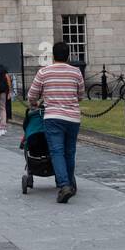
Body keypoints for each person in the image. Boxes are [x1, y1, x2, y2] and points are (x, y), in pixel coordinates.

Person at [27, 41, 84, 203]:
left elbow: (32, 94)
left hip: (53, 117)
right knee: (70, 151)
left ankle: (64, 185)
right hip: (73, 117)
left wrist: (34, 103)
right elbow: (80, 95)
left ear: (53, 55)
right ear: (68, 56)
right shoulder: (76, 72)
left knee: (57, 151)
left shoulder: (44, 72)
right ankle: (70, 183)